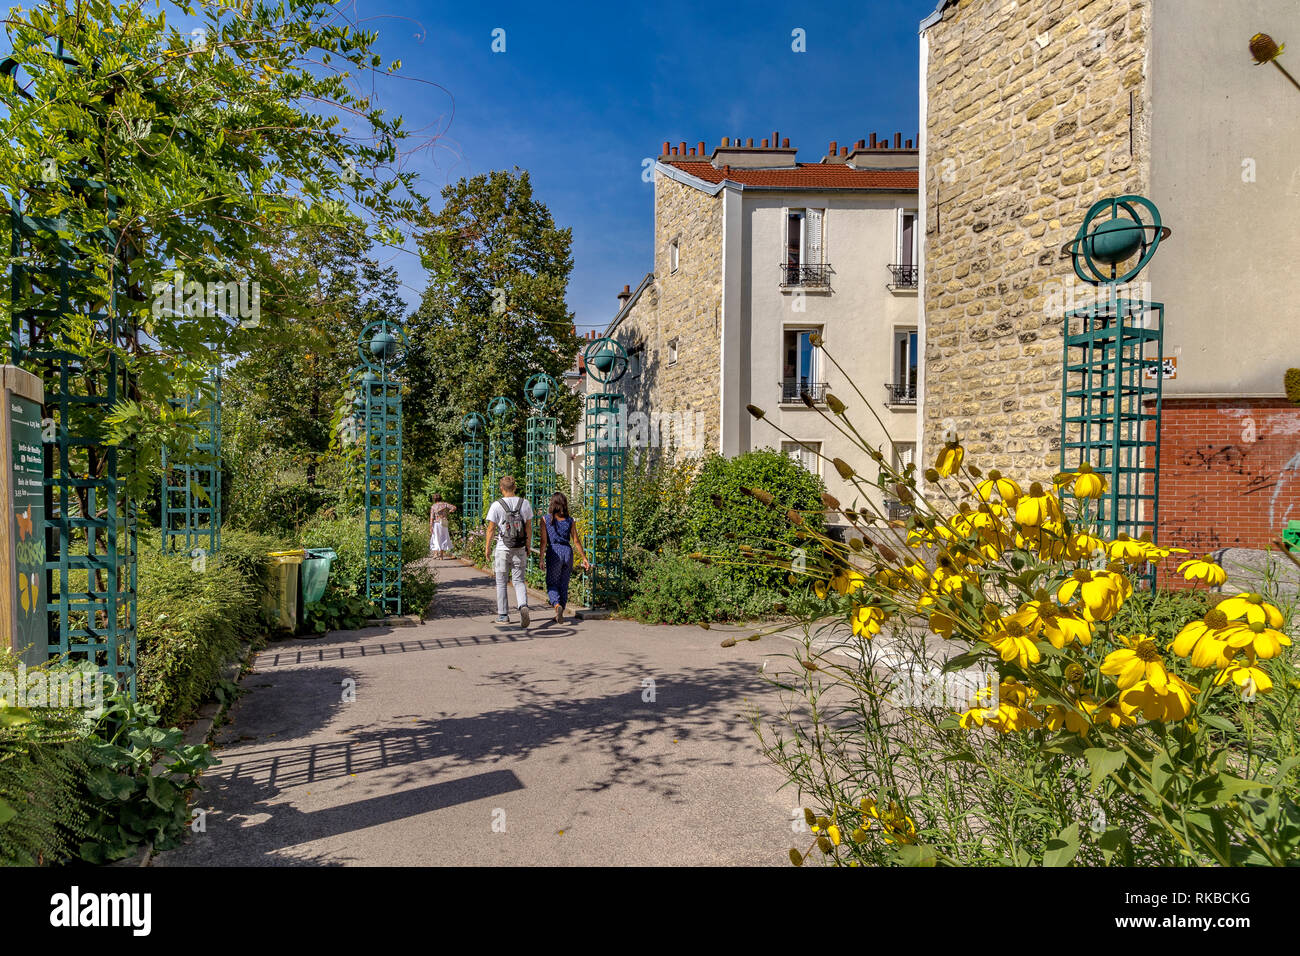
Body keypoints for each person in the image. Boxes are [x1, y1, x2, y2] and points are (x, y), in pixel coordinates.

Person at [484, 476, 533, 628]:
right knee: (518, 581)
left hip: (502, 548)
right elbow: (529, 528)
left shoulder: (496, 505)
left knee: (501, 582)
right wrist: (528, 546)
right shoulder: (524, 503)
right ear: (515, 487)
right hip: (519, 548)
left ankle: (503, 615)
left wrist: (487, 548)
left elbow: (491, 529)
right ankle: (523, 605)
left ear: (501, 488)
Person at [539, 492, 590, 624]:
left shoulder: (545, 519)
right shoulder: (570, 520)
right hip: (567, 552)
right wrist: (584, 558)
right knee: (564, 583)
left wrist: (540, 558)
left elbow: (543, 542)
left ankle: (557, 606)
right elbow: (576, 541)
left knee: (552, 582)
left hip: (554, 552)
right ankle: (560, 609)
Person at [429, 493, 456, 558]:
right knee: (443, 538)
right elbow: (454, 507)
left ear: (434, 499)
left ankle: (435, 554)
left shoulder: (433, 506)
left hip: (437, 524)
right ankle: (441, 555)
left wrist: (430, 526)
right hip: (444, 523)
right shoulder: (445, 504)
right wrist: (450, 511)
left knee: (436, 537)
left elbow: (432, 517)